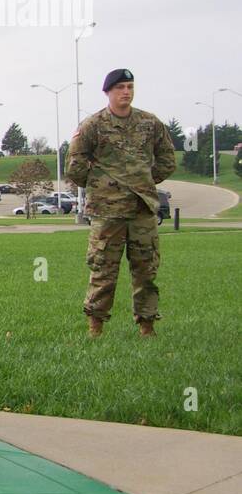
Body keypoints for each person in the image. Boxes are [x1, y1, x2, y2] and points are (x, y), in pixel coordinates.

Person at [65, 68, 176, 337]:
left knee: (146, 270)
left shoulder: (150, 123)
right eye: (120, 87)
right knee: (103, 269)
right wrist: (101, 186)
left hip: (142, 210)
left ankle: (147, 325)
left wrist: (145, 182)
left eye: (129, 86)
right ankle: (96, 327)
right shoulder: (93, 125)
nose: (126, 91)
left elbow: (167, 159)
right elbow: (74, 165)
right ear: (108, 92)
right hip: (107, 212)